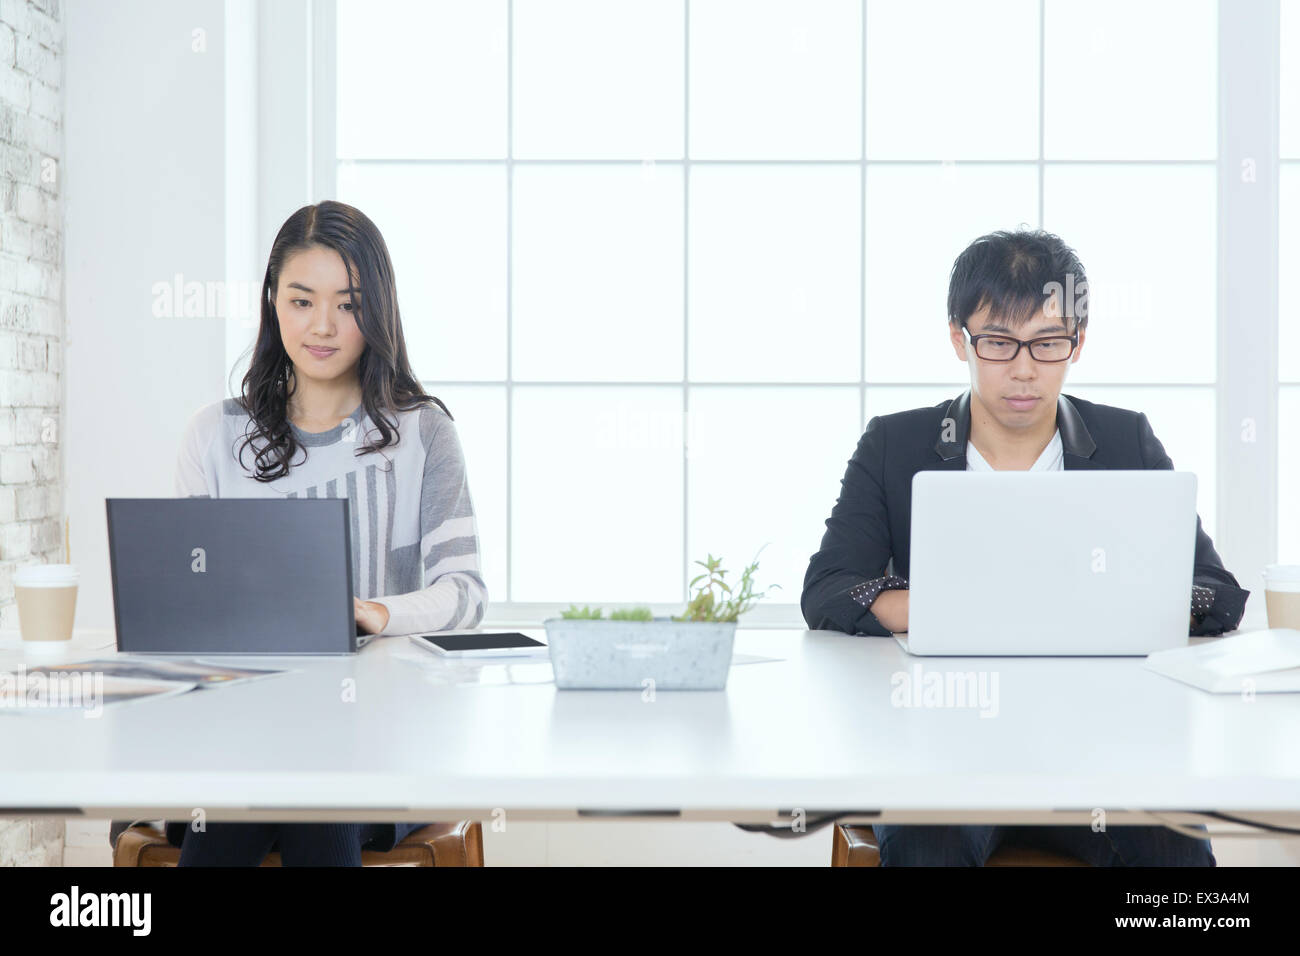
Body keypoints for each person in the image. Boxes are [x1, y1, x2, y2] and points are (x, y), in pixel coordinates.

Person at [801, 228, 1249, 867]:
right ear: (960, 339)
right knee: (930, 846)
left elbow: (1217, 593)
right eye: (998, 343)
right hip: (944, 752)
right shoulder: (894, 445)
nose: (1023, 368)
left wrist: (1134, 605)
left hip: (1105, 753)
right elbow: (829, 588)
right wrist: (957, 611)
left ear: (1078, 342)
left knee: (1171, 850)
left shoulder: (1126, 442)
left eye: (1046, 343)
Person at [164, 200, 488, 865]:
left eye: (348, 304)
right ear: (272, 304)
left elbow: (467, 593)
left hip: (380, 745)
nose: (323, 325)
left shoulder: (422, 433)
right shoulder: (215, 436)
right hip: (242, 740)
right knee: (234, 809)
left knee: (318, 806)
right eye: (302, 300)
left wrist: (372, 612)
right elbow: (186, 602)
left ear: (377, 312)